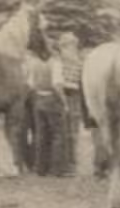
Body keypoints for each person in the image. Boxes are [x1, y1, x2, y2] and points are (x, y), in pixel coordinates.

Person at [31, 45, 68, 177]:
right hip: (52, 100)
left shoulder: (34, 64)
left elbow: (32, 85)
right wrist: (64, 101)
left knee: (41, 135)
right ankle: (58, 169)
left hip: (39, 99)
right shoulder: (55, 64)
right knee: (58, 134)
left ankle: (41, 168)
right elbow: (57, 84)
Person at [52, 32, 83, 176]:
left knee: (73, 131)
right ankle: (66, 165)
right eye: (71, 45)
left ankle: (72, 162)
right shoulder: (60, 60)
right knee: (66, 131)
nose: (73, 47)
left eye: (74, 44)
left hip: (75, 95)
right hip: (66, 95)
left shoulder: (77, 60)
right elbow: (59, 82)